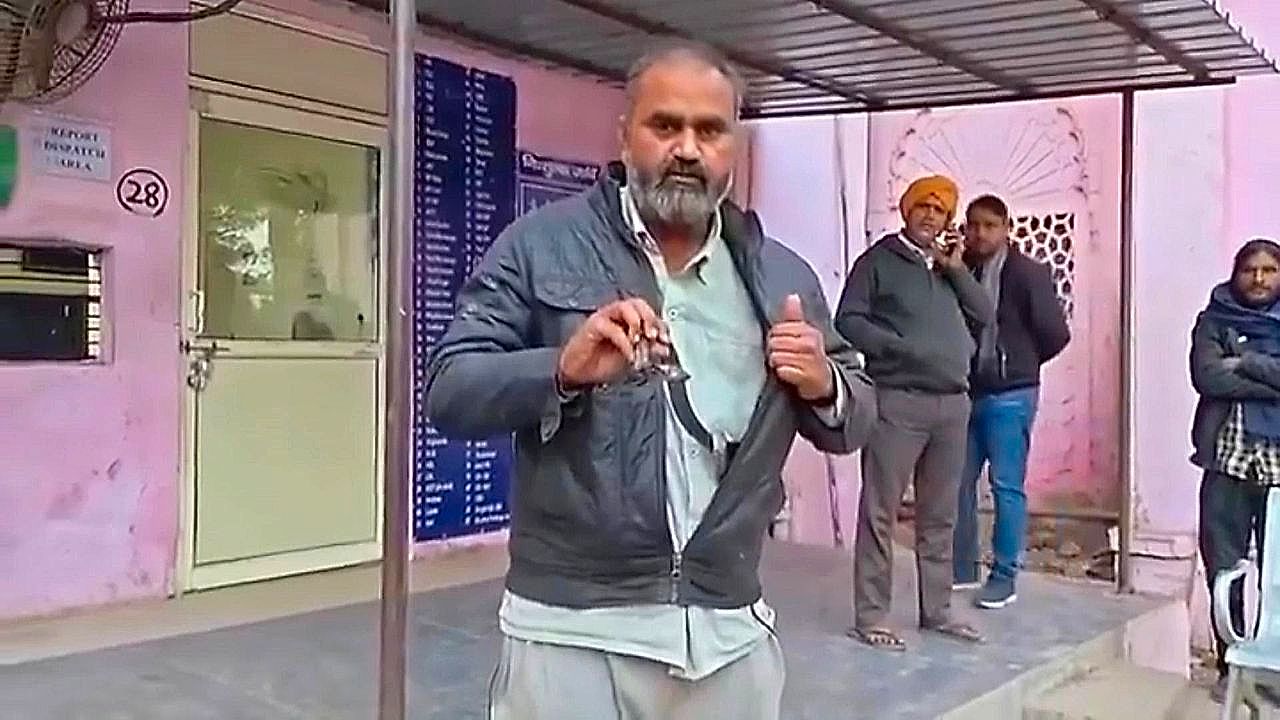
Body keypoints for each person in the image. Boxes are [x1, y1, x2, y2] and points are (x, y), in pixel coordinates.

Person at [424, 40, 876, 720]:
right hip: (571, 631)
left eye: (710, 130)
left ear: (734, 145)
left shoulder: (783, 275)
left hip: (728, 634)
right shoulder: (540, 243)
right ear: (626, 135)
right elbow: (451, 390)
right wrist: (561, 369)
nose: (687, 149)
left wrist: (823, 383)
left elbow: (856, 415)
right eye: (665, 126)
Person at [836, 175, 995, 652]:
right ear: (906, 212)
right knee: (880, 511)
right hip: (899, 400)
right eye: (923, 207)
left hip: (952, 404)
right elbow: (849, 319)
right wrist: (898, 349)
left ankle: (938, 609)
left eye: (941, 210)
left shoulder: (949, 268)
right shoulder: (879, 261)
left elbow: (985, 315)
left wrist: (955, 270)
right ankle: (871, 615)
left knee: (941, 514)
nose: (931, 216)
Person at [952, 195, 1070, 609]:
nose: (980, 233)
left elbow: (1056, 333)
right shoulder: (958, 267)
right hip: (965, 390)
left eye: (989, 225)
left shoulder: (1027, 273)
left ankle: (1005, 575)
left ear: (1006, 228)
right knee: (957, 481)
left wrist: (1018, 362)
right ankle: (960, 569)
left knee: (1005, 486)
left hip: (1010, 394)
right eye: (973, 225)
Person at [1190, 238, 1280, 703]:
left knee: (1278, 575)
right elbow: (1207, 377)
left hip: (1277, 473)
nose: (1259, 279)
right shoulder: (1214, 319)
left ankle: (1274, 668)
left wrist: (1245, 361)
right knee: (1223, 568)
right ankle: (1231, 663)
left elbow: (1228, 374)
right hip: (1226, 463)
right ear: (1236, 273)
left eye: (1269, 270)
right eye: (1250, 270)